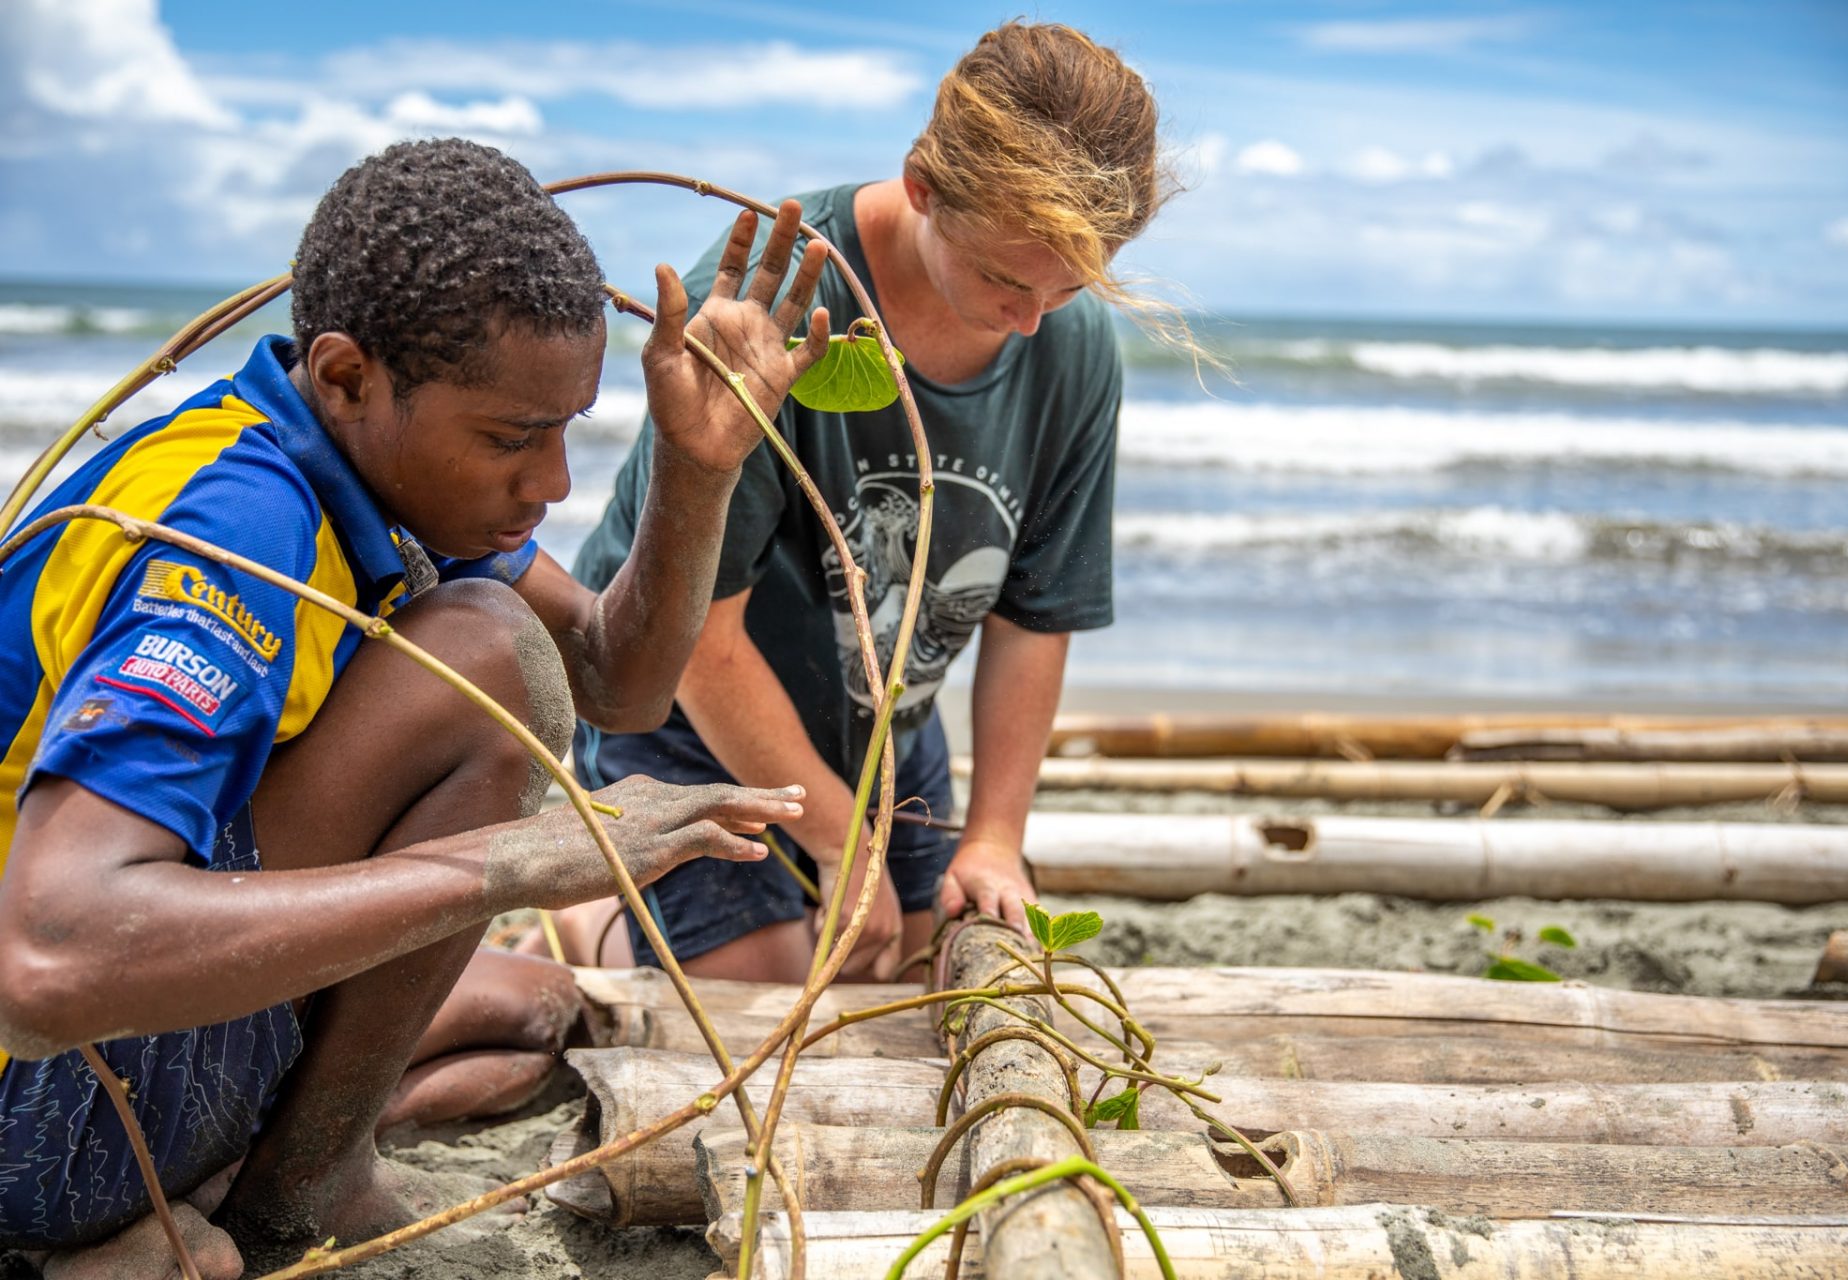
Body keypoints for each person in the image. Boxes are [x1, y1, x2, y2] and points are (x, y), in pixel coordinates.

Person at [0, 136, 829, 1278]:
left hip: (79, 1072)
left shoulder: (368, 467)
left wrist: (698, 466)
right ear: (348, 376)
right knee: (487, 652)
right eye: (510, 438)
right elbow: (45, 961)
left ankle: (242, 1187)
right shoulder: (237, 529)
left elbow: (616, 679)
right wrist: (509, 865)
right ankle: (284, 1194)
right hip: (35, 1112)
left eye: (568, 429)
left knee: (536, 1006)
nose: (552, 483)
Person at [567, 21, 1178, 983]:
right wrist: (838, 842)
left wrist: (995, 839)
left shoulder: (1072, 345)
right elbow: (699, 643)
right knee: (769, 986)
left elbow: (1036, 617)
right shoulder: (773, 301)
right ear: (923, 187)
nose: (1031, 323)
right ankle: (582, 914)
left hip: (879, 719)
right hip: (679, 704)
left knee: (929, 962)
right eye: (1004, 278)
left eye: (1065, 289)